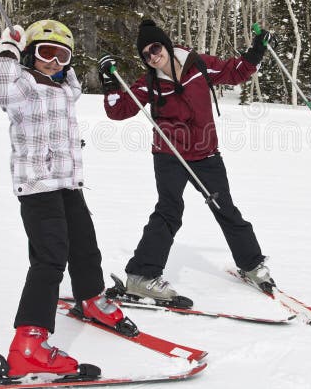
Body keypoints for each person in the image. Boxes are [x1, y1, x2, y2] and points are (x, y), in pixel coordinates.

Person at [0, 20, 134, 377]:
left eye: (61, 55)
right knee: (50, 259)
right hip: (38, 186)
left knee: (85, 245)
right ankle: (28, 343)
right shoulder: (21, 89)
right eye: (45, 53)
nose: (53, 62)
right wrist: (9, 47)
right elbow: (0, 88)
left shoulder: (65, 89)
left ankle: (91, 299)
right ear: (30, 54)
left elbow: (72, 84)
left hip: (68, 184)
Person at [97, 19, 275, 306]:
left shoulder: (198, 65)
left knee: (225, 208)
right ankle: (142, 276)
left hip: (205, 153)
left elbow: (235, 72)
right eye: (146, 54)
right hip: (169, 154)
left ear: (165, 44)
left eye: (156, 48)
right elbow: (119, 110)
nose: (153, 56)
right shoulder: (149, 83)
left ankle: (251, 264)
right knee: (169, 210)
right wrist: (109, 82)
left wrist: (256, 51)